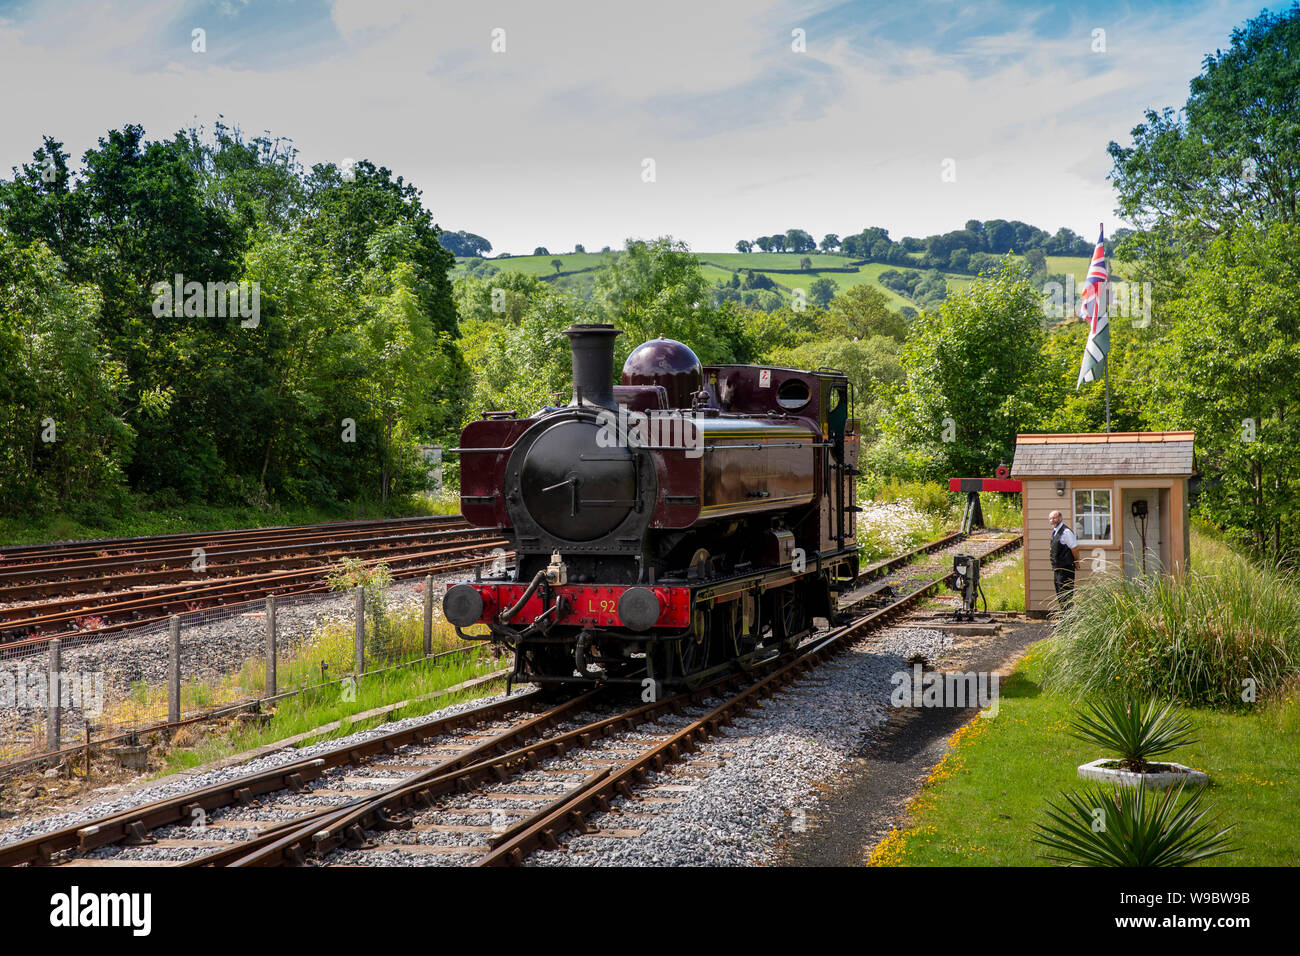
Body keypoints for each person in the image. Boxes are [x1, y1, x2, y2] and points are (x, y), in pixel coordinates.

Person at [1048, 510, 1079, 609]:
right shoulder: (1055, 531)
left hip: (1066, 569)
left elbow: (1074, 548)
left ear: (1060, 518)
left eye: (1055, 518)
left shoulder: (1066, 532)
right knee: (1060, 595)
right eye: (1051, 518)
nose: (1053, 520)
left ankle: (1069, 621)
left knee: (1066, 595)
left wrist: (1077, 562)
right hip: (1057, 569)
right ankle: (1064, 619)